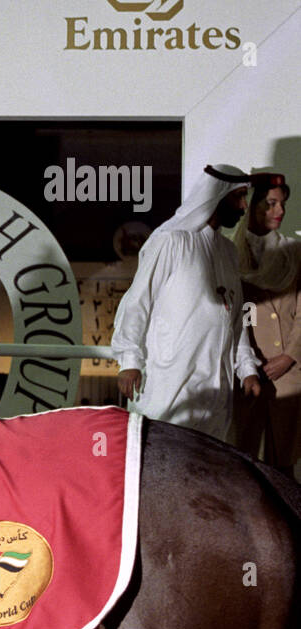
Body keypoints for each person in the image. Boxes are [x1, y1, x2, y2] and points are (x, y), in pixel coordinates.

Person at [112, 164, 261, 441]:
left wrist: (247, 369)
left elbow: (236, 319)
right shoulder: (170, 241)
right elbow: (137, 302)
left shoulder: (228, 251)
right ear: (217, 197)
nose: (243, 206)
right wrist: (130, 360)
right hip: (170, 379)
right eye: (238, 197)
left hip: (217, 387)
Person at [233, 171, 300, 472]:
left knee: (286, 462)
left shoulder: (295, 252)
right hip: (247, 372)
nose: (280, 211)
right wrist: (246, 363)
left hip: (289, 371)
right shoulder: (229, 253)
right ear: (252, 206)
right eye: (271, 203)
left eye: (282, 204)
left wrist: (290, 356)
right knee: (245, 460)